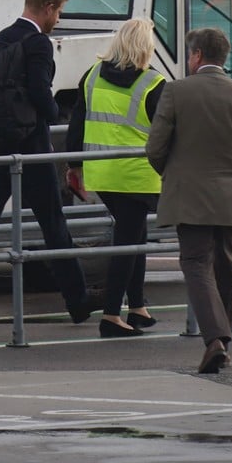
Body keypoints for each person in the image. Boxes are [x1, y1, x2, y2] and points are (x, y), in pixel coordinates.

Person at [0, 0, 95, 331]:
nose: (58, 20)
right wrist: (54, 113)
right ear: (48, 7)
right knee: (53, 225)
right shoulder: (39, 43)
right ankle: (78, 301)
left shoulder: (2, 38)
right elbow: (39, 92)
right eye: (59, 12)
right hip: (29, 148)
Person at [145, 27, 232, 373]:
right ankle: (223, 341)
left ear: (197, 55)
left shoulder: (176, 91)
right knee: (226, 265)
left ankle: (214, 339)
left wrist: (175, 174)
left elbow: (155, 148)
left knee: (196, 263)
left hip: (190, 195)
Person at [65, 17, 165, 338]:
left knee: (135, 238)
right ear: (146, 47)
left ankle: (137, 307)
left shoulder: (92, 75)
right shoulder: (153, 82)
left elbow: (77, 123)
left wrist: (74, 165)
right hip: (136, 175)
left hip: (101, 171)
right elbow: (165, 133)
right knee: (128, 243)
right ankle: (111, 315)